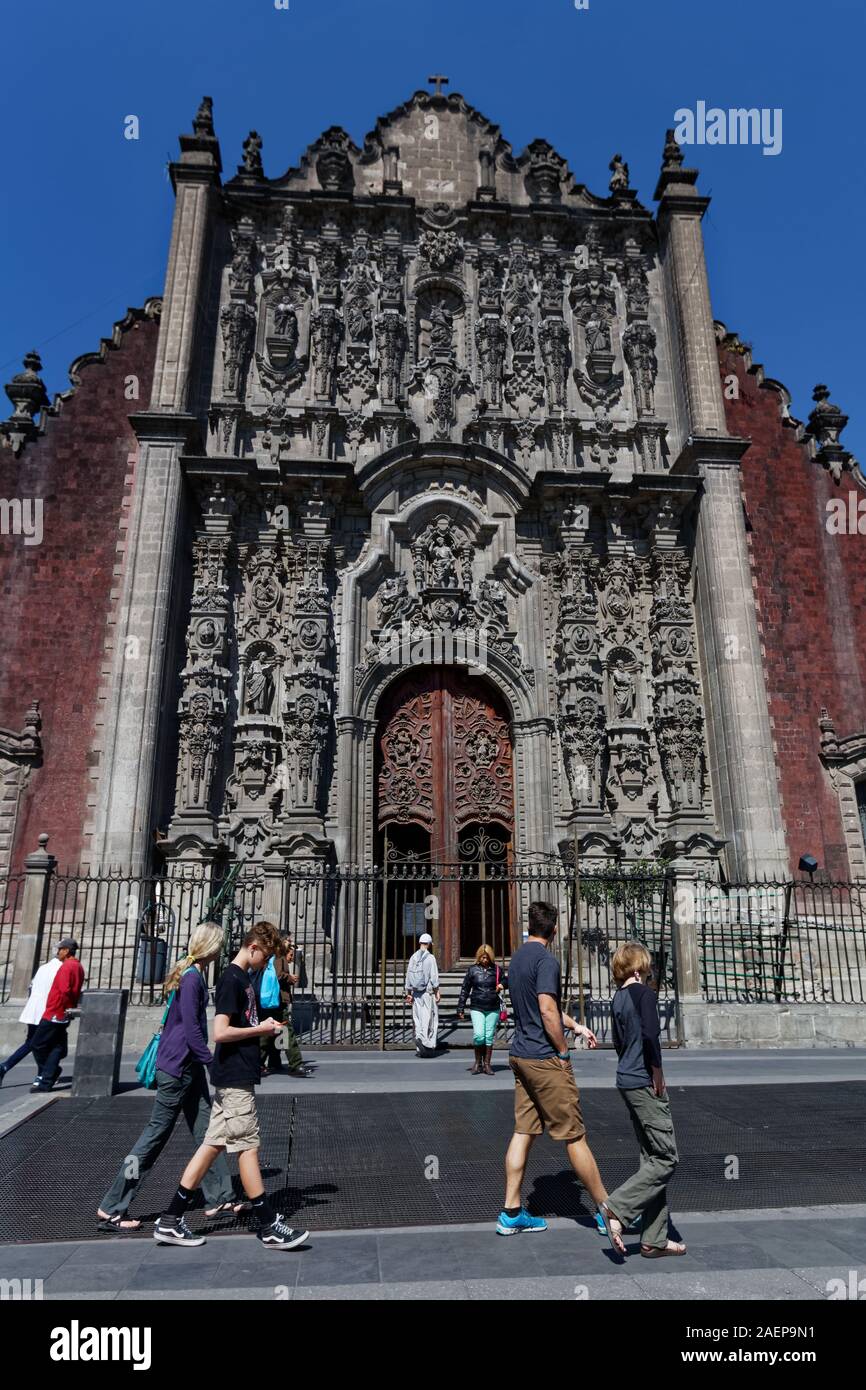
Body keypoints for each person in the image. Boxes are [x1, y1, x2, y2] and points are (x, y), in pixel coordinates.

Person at [153, 921, 309, 1250]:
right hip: (234, 1075)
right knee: (248, 1147)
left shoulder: (242, 978)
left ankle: (171, 1219)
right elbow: (220, 1032)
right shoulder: (231, 980)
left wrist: (262, 1028)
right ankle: (268, 1224)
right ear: (252, 947)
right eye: (265, 957)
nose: (266, 963)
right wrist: (261, 1030)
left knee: (212, 1144)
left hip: (236, 1074)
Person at [96, 922, 249, 1232]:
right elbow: (192, 1031)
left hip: (185, 1068)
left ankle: (219, 1196)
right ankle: (112, 1205)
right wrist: (211, 1063)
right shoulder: (193, 979)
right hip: (179, 1069)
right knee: (152, 1140)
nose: (222, 951)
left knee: (209, 1132)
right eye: (220, 945)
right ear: (211, 948)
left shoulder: (191, 974)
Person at [497, 901, 624, 1253]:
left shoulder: (518, 958)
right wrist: (563, 1051)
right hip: (544, 1059)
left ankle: (511, 1212)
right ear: (554, 931)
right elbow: (547, 1008)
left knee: (524, 1131)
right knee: (575, 1136)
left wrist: (577, 1026)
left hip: (520, 1055)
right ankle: (606, 1212)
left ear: (530, 926)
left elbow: (539, 1007)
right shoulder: (548, 960)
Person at [597, 943, 686, 1259]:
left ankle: (654, 1240)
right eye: (647, 968)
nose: (649, 974)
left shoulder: (618, 998)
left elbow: (620, 1043)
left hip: (626, 1079)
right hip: (644, 1081)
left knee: (651, 1158)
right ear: (638, 970)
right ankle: (616, 1209)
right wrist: (657, 1071)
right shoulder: (644, 995)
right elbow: (651, 1035)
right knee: (666, 1158)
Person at [0, 947, 63, 1086]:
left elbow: (32, 987)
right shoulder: (61, 969)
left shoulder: (43, 968)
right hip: (47, 1011)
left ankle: (5, 1067)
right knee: (44, 1044)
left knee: (32, 1042)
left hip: (33, 1009)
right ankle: (43, 1074)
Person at [29, 938, 85, 1093]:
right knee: (55, 1046)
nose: (58, 953)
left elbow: (64, 990)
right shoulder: (78, 967)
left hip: (55, 1012)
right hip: (62, 1012)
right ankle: (47, 1080)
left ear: (66, 951)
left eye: (60, 949)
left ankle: (50, 1072)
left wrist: (61, 1008)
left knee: (37, 1044)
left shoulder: (67, 967)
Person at [456, 943, 506, 1075]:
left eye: (487, 957)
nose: (485, 960)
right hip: (477, 1006)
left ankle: (487, 1064)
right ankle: (477, 1062)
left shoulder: (497, 970)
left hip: (492, 1006)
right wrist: (460, 1007)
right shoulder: (472, 970)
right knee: (479, 1035)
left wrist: (502, 984)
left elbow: (506, 980)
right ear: (479, 957)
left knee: (488, 1036)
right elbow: (465, 989)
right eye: (483, 957)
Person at [276, 939, 309, 1078]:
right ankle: (296, 1064)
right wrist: (289, 977)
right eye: (288, 940)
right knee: (286, 1031)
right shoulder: (279, 957)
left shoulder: (278, 957)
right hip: (277, 1000)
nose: (291, 959)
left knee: (275, 1033)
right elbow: (278, 975)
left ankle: (271, 1062)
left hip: (278, 1000)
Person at [404, 932, 440, 1058]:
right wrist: (437, 992)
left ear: (419, 943)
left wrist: (408, 993)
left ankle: (419, 1040)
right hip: (427, 993)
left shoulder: (413, 957)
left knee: (418, 1019)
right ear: (429, 944)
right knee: (429, 1019)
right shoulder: (430, 958)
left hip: (416, 993)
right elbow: (434, 978)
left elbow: (408, 975)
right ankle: (427, 1045)